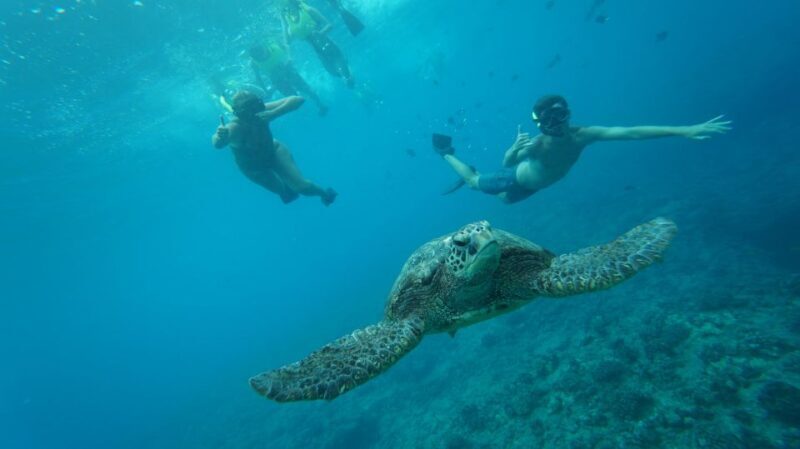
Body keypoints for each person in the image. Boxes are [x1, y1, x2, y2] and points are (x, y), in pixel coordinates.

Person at [434, 94, 732, 204]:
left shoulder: (584, 135)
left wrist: (684, 130)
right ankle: (447, 153)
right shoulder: (538, 144)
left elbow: (631, 133)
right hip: (515, 178)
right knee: (475, 183)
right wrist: (513, 151)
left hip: (535, 186)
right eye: (549, 121)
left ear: (568, 114)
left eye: (561, 116)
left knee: (504, 202)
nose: (557, 125)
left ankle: (476, 176)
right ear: (541, 125)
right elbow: (508, 161)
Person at [212, 91, 337, 206]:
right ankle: (286, 190)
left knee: (302, 187)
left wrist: (275, 113)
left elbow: (298, 99)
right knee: (284, 192)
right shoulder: (235, 127)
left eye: (256, 106)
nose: (254, 113)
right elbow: (218, 143)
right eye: (248, 111)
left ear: (260, 104)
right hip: (254, 169)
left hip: (274, 151)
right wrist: (220, 136)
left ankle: (325, 194)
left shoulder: (263, 111)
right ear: (240, 113)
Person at [279, 0, 355, 88]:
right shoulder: (290, 22)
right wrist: (283, 22)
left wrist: (321, 33)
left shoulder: (308, 10)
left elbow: (329, 24)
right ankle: (347, 67)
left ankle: (354, 79)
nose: (287, 8)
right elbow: (287, 41)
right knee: (334, 73)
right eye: (285, 6)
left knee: (347, 79)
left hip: (329, 46)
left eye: (288, 4)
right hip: (318, 52)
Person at [249, 40, 328, 116]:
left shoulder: (274, 47)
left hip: (289, 71)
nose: (262, 57)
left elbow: (287, 46)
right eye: (258, 57)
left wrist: (289, 58)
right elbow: (258, 78)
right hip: (278, 81)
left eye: (262, 53)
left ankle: (321, 105)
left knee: (307, 90)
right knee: (293, 98)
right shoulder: (254, 62)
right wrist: (265, 90)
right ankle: (306, 113)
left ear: (265, 48)